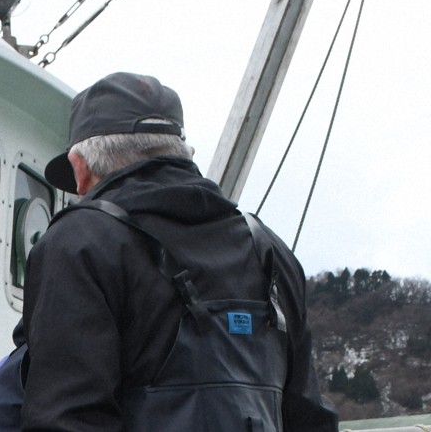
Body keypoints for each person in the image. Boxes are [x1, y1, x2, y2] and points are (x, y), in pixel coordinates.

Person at [20, 72, 337, 431]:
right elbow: (310, 417)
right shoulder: (268, 248)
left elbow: (66, 419)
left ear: (80, 167)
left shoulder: (79, 242)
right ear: (185, 154)